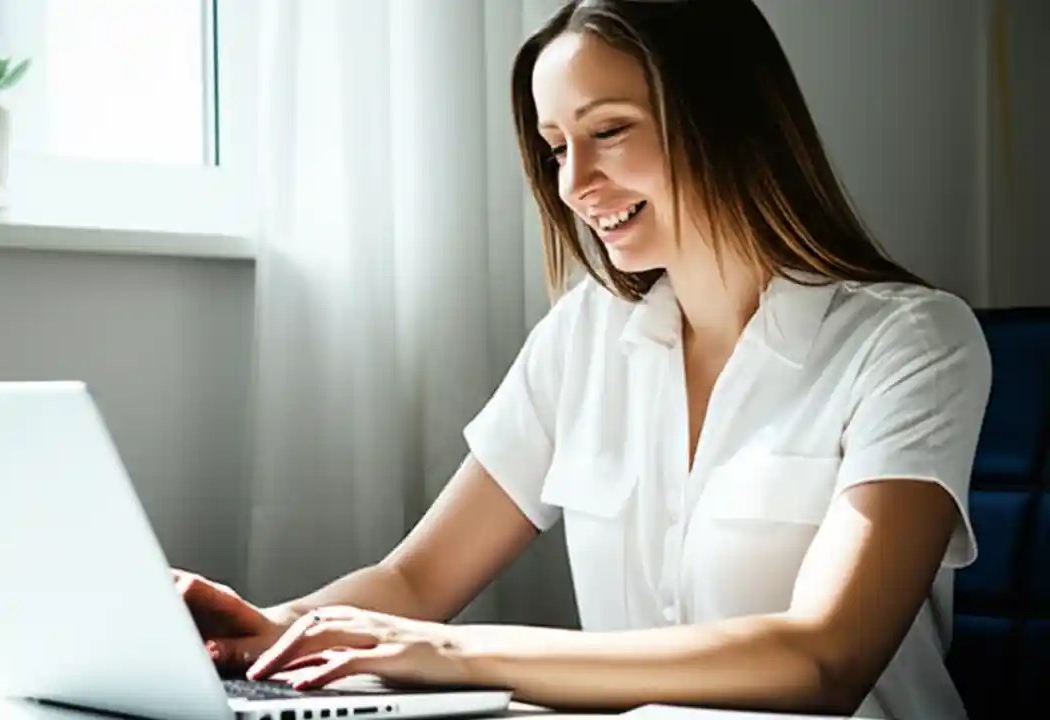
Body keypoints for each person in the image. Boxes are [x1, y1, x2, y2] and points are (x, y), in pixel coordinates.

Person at [173, 1, 990, 717]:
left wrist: (454, 653)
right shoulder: (584, 337)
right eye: (557, 146)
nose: (573, 184)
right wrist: (270, 630)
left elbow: (825, 658)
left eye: (608, 132)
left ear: (726, 119)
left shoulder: (912, 342)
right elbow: (415, 584)